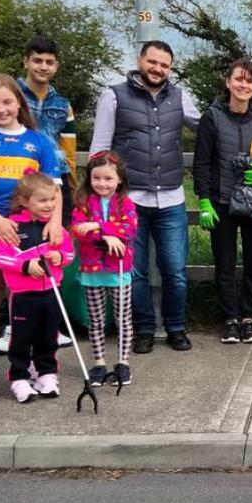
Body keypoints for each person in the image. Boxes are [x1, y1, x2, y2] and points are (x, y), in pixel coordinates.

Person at [91, 40, 201, 353]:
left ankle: (176, 327)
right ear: (140, 60)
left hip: (171, 198)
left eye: (165, 65)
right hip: (130, 201)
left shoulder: (180, 96)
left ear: (171, 68)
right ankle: (143, 330)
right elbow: (100, 148)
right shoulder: (113, 96)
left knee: (175, 270)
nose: (158, 69)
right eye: (153, 62)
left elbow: (206, 125)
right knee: (134, 271)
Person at [0, 74, 63, 404]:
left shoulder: (39, 141)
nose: (0, 109)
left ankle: (31, 366)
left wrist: (56, 222)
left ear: (19, 101)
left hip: (31, 230)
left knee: (27, 300)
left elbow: (55, 188)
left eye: (7, 102)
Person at [0, 35, 78, 354]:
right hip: (20, 183)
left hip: (54, 183)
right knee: (18, 249)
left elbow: (68, 144)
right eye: (37, 60)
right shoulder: (10, 96)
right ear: (26, 61)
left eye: (49, 61)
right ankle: (13, 324)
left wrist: (70, 185)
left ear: (56, 66)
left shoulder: (62, 103)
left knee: (53, 246)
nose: (43, 66)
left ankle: (51, 324)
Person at [193, 58, 252, 345]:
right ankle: (230, 319)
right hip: (222, 201)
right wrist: (204, 200)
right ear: (228, 82)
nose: (244, 85)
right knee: (225, 263)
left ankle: (250, 318)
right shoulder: (212, 117)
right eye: (239, 79)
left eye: (250, 80)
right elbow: (202, 162)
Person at [0, 171, 75, 403]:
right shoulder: (13, 227)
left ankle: (46, 373)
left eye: (52, 200)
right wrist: (24, 265)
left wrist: (60, 257)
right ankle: (19, 376)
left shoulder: (56, 228)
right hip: (23, 296)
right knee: (21, 338)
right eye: (42, 200)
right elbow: (0, 258)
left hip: (51, 292)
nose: (49, 205)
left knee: (49, 336)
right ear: (25, 201)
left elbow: (69, 252)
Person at [71, 151, 138, 386]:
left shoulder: (126, 203)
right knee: (96, 319)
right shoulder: (83, 203)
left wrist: (97, 226)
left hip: (119, 270)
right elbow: (78, 230)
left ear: (119, 179)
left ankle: (123, 362)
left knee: (123, 319)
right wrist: (107, 235)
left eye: (108, 179)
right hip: (92, 271)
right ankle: (99, 361)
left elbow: (128, 230)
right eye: (96, 178)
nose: (102, 183)